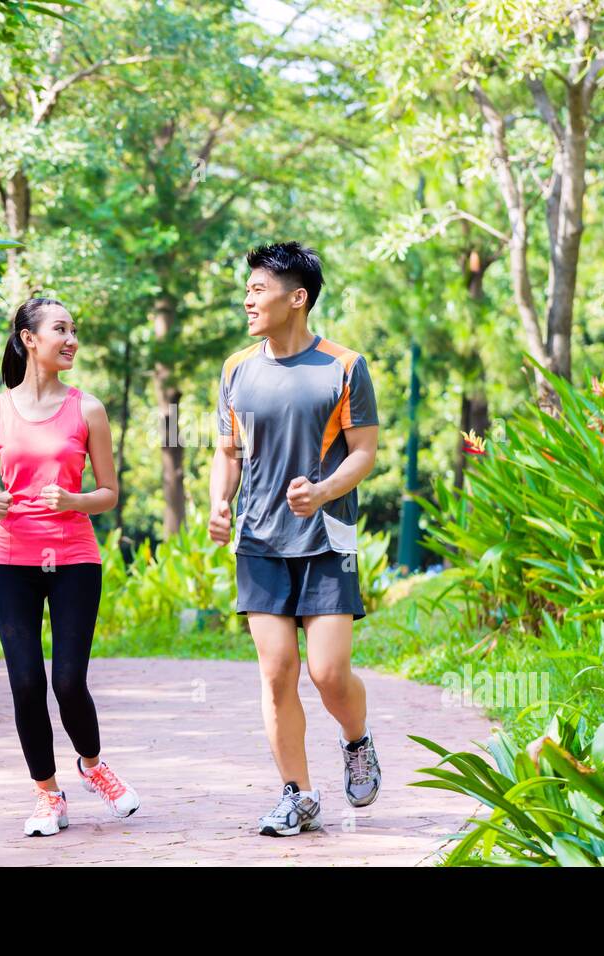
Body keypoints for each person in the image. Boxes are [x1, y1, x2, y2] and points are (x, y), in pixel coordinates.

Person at [209, 241, 382, 837]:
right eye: (249, 288)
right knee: (278, 669)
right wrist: (218, 502)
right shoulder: (236, 369)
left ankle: (356, 740)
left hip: (327, 539)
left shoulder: (343, 365)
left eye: (259, 289)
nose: (248, 298)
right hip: (259, 541)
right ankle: (298, 795)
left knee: (328, 673)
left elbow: (364, 452)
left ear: (297, 299)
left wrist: (326, 490)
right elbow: (227, 451)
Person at [0, 296, 141, 837]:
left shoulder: (87, 409)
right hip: (13, 561)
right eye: (60, 329)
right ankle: (48, 796)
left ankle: (93, 767)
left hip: (73, 560)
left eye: (74, 330)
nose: (71, 339)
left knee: (68, 681)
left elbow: (111, 493)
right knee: (25, 682)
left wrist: (74, 502)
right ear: (29, 339)